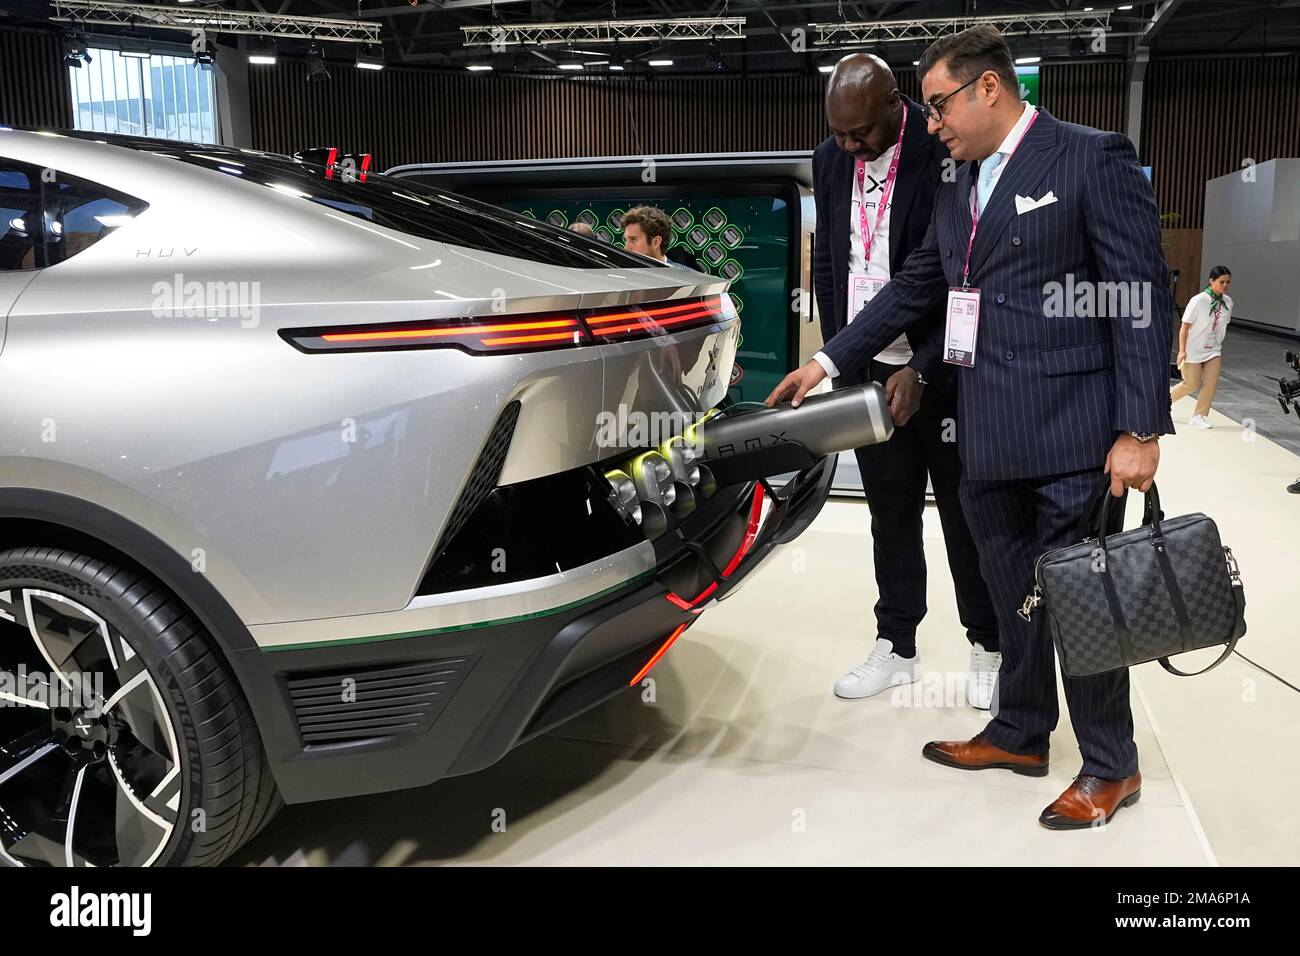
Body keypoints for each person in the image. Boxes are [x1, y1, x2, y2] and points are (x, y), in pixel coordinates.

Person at [767, 25, 1173, 829]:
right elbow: (918, 282)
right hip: (988, 433)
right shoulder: (960, 184)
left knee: (1083, 603)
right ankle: (1021, 731)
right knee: (1016, 595)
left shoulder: (1090, 157)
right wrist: (827, 361)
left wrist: (1140, 427)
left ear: (989, 87)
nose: (932, 122)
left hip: (1075, 436)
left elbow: (1139, 295)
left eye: (939, 104)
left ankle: (1110, 763)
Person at [813, 53, 1001, 708]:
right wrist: (840, 359)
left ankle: (988, 645)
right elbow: (829, 263)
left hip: (941, 373)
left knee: (964, 517)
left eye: (861, 132)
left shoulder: (944, 148)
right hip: (867, 371)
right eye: (839, 133)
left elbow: (957, 273)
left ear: (897, 104)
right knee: (889, 516)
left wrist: (923, 365)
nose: (850, 146)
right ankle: (896, 645)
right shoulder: (831, 158)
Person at [1170, 266, 1232, 429]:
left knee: (1211, 383)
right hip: (1193, 350)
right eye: (1221, 282)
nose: (1225, 285)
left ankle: (1199, 416)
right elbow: (1184, 327)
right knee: (1191, 383)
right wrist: (1182, 350)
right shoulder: (1199, 300)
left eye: (1227, 282)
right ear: (1211, 281)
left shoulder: (1228, 302)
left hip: (1214, 350)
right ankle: (1163, 403)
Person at [622, 205, 701, 270]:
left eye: (633, 239)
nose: (626, 248)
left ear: (656, 242)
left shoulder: (686, 277)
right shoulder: (621, 275)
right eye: (626, 240)